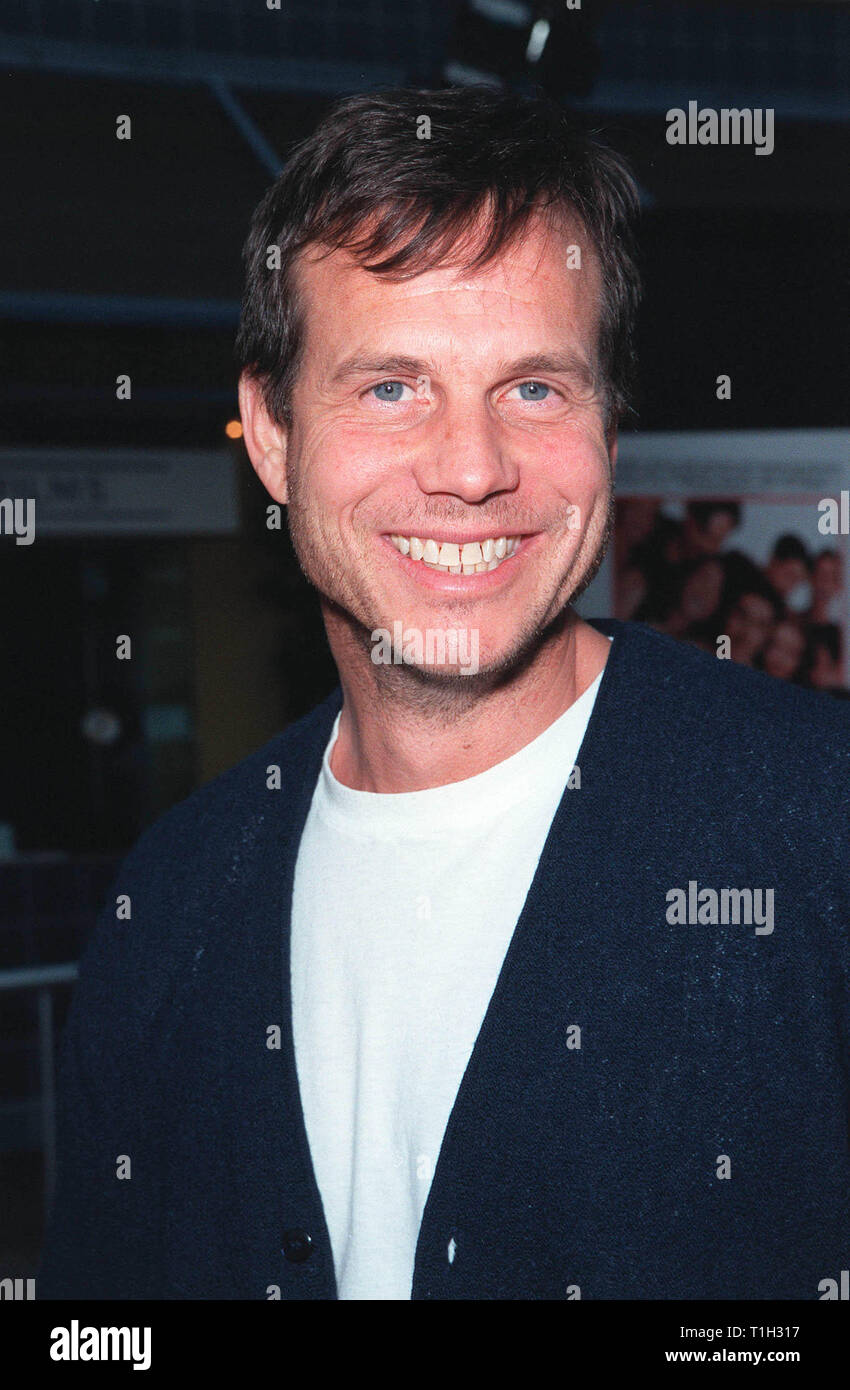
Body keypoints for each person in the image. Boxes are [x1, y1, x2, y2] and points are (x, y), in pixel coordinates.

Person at [39, 85, 850, 1302]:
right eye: (389, 387)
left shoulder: (817, 828)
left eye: (534, 387)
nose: (471, 469)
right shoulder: (172, 898)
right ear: (269, 435)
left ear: (609, 426)